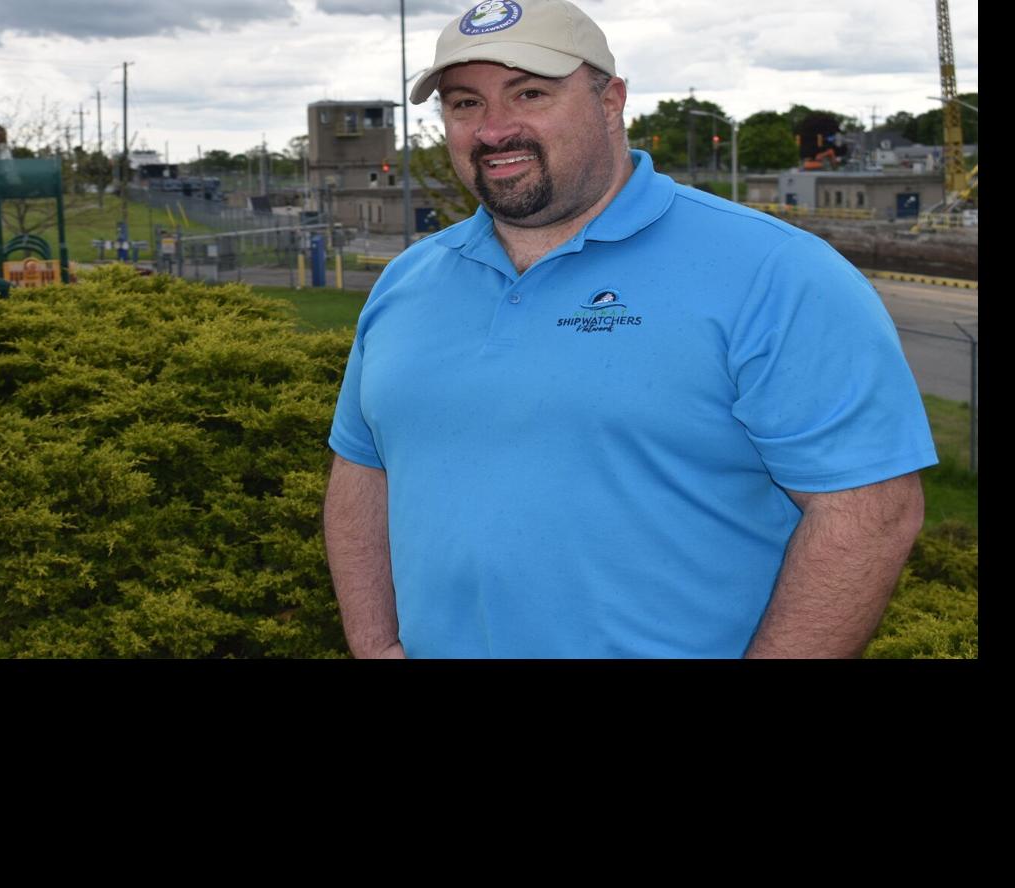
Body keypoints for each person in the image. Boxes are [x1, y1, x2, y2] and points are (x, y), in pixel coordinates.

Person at [323, 0, 938, 659]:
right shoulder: (408, 282)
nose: (494, 129)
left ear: (610, 100)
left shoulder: (774, 272)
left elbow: (869, 513)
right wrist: (374, 644)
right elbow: (363, 472)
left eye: (529, 93)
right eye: (464, 103)